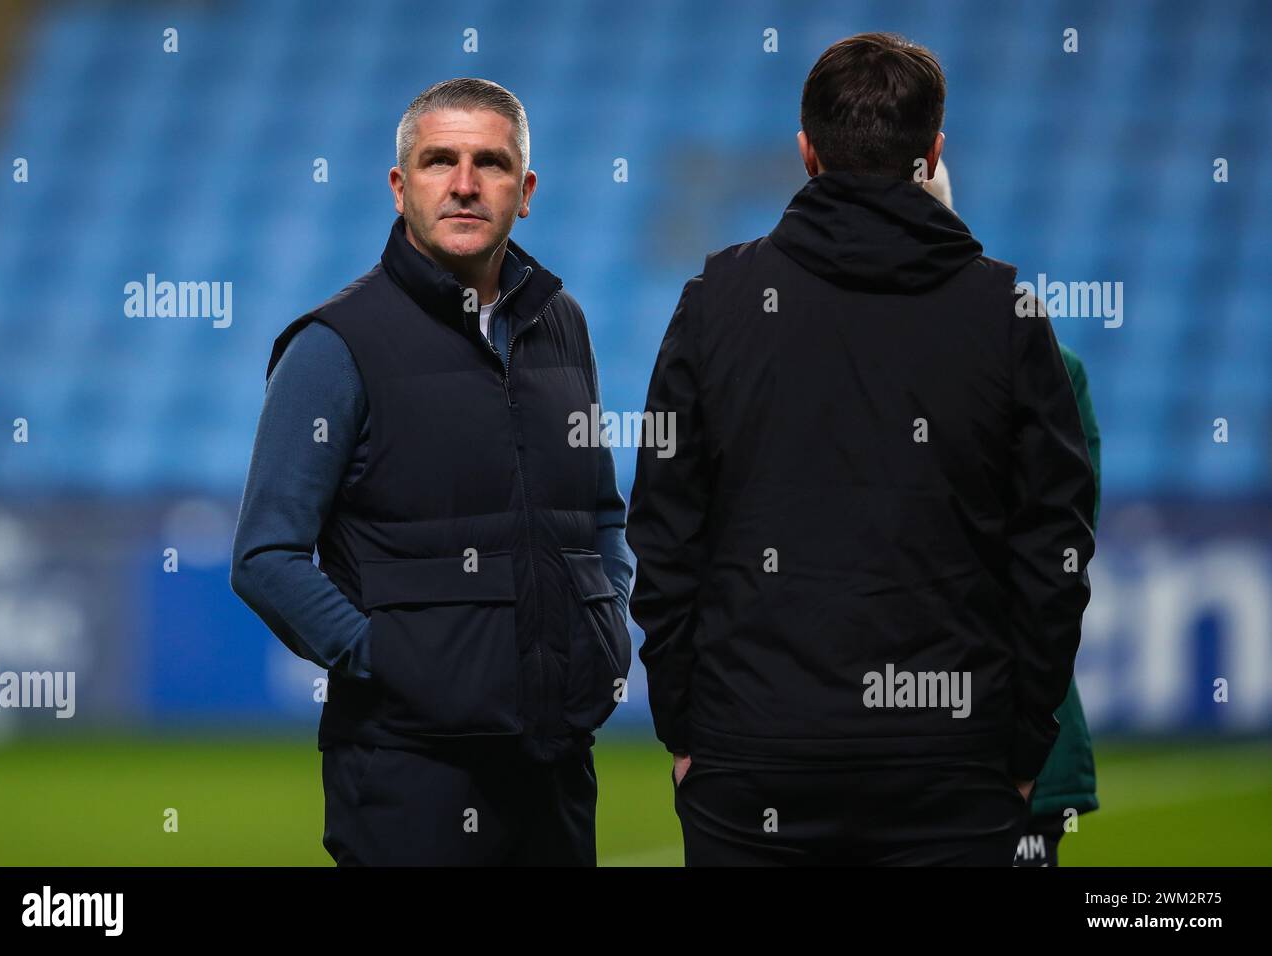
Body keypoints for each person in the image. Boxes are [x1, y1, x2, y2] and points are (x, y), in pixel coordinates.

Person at [626, 33, 1096, 865]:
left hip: (753, 756)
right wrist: (1021, 740)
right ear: (934, 152)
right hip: (953, 763)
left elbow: (664, 535)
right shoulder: (1008, 314)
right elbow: (1053, 551)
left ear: (805, 151)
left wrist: (684, 723)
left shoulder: (715, 302)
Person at [230, 77, 633, 866]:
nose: (464, 183)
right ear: (399, 186)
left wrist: (602, 624)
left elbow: (602, 511)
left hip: (555, 767)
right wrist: (395, 661)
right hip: (408, 773)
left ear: (526, 192)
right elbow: (265, 558)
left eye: (491, 163)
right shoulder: (332, 345)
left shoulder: (564, 324)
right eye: (438, 160)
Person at [923, 163, 1101, 867]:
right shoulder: (1047, 357)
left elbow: (1056, 554)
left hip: (980, 746)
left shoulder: (1044, 359)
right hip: (1002, 740)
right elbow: (1058, 553)